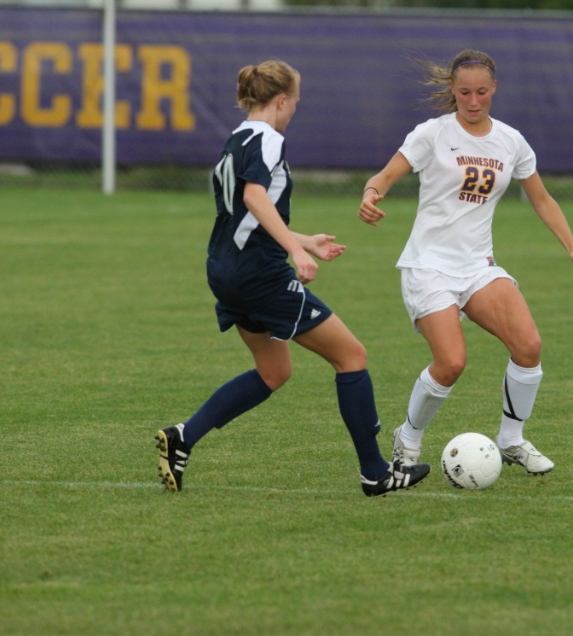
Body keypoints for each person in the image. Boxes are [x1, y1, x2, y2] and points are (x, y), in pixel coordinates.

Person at [156, 59, 430, 497]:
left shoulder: (236, 138)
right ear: (281, 100)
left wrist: (305, 239)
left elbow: (245, 213)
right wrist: (294, 249)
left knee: (273, 371)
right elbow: (254, 196)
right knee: (352, 357)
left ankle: (183, 437)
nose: (294, 111)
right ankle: (376, 473)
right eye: (295, 103)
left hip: (226, 269)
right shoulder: (267, 138)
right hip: (259, 274)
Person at [358, 49, 573, 476]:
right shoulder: (432, 134)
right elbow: (385, 176)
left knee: (529, 346)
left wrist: (572, 247)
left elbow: (541, 197)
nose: (473, 100)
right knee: (451, 362)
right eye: (464, 92)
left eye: (482, 91)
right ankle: (407, 440)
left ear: (494, 89)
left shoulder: (510, 140)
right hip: (428, 265)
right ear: (452, 89)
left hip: (478, 266)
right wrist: (371, 194)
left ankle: (512, 440)